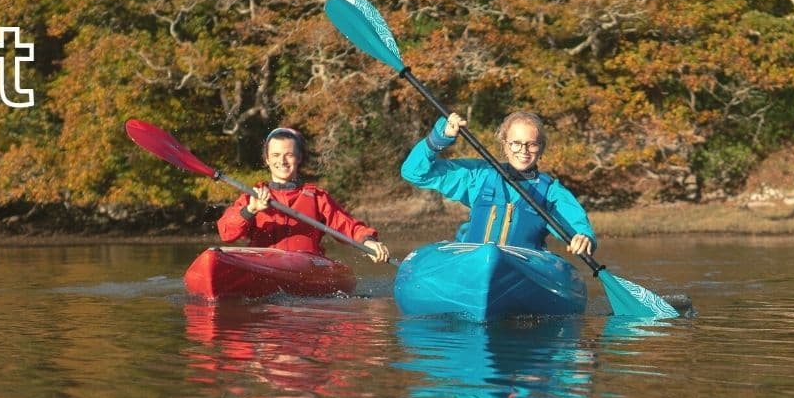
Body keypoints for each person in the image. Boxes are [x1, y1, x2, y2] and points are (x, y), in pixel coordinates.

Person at [401, 112, 595, 256]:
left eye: (532, 144)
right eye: (516, 143)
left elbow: (579, 229)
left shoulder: (552, 192)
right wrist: (439, 138)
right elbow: (413, 172)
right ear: (505, 145)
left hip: (524, 270)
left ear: (541, 148)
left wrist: (583, 238)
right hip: (471, 262)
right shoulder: (478, 176)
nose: (524, 150)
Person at [218, 127, 390, 262]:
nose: (282, 161)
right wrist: (250, 210)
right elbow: (226, 233)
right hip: (264, 264)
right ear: (267, 160)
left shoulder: (317, 197)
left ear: (299, 158)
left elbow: (347, 226)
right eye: (276, 155)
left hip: (306, 266)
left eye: (289, 155)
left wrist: (367, 240)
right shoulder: (252, 196)